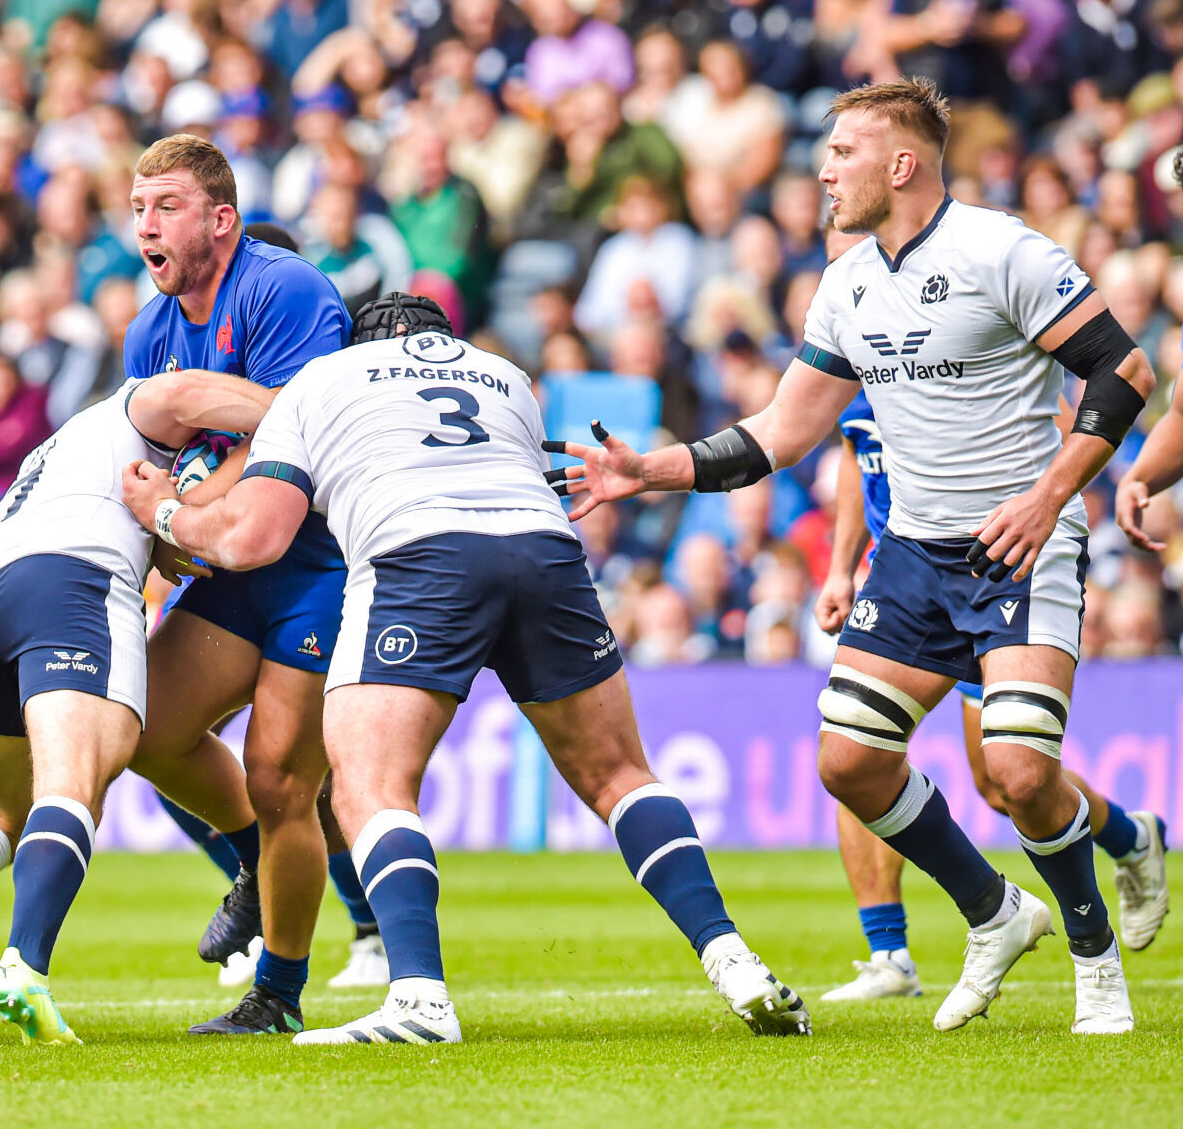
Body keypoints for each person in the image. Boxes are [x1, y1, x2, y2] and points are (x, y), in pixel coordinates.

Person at [558, 78, 1152, 1035]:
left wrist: (1049, 497)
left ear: (901, 164)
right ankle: (996, 913)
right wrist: (650, 471)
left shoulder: (1001, 251)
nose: (823, 170)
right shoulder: (846, 283)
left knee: (1022, 774)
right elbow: (782, 432)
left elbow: (1125, 370)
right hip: (914, 554)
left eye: (841, 152)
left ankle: (1096, 964)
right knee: (848, 760)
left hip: (1020, 544)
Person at [120, 293, 810, 1044]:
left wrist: (163, 512)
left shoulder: (322, 377)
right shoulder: (507, 375)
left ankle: (417, 998)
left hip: (420, 553)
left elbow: (253, 535)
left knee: (369, 785)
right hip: (545, 551)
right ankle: (733, 957)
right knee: (620, 775)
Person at [0, 368, 274, 1045]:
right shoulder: (145, 398)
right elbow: (181, 398)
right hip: (70, 586)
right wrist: (301, 407)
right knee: (72, 789)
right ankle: (25, 966)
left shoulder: (65, 444)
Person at [814, 388, 1167, 1001]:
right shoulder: (857, 349)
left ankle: (1130, 841)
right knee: (859, 743)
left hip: (987, 574)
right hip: (903, 580)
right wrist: (843, 567)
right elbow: (856, 456)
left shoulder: (962, 349)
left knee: (1006, 779)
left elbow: (1064, 437)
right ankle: (889, 952)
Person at [119, 134, 352, 1036]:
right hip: (226, 566)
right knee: (151, 730)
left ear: (221, 218)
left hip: (315, 564)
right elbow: (153, 460)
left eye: (166, 206)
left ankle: (278, 995)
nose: (147, 225)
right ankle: (259, 865)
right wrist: (166, 526)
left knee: (281, 777)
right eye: (138, 209)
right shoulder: (150, 329)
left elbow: (301, 427)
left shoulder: (282, 287)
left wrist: (178, 505)